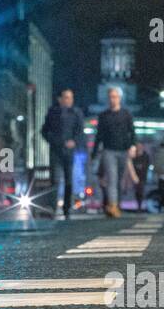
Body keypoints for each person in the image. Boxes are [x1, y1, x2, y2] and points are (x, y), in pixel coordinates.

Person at [91, 86, 136, 218]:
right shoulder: (103, 116)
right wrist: (94, 153)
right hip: (108, 151)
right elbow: (98, 136)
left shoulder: (126, 114)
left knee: (119, 180)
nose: (113, 99)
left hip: (123, 151)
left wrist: (132, 146)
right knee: (112, 178)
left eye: (115, 97)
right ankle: (113, 205)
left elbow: (132, 132)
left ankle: (117, 204)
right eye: (111, 97)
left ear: (120, 98)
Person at [40, 88, 85, 219]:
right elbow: (44, 131)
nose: (69, 100)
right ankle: (52, 208)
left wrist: (74, 142)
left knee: (68, 180)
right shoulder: (52, 112)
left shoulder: (77, 113)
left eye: (71, 97)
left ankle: (67, 209)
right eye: (66, 97)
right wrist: (55, 141)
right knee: (54, 180)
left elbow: (80, 132)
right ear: (60, 99)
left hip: (69, 152)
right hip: (56, 150)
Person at [130, 142, 150, 212]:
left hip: (142, 176)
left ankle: (140, 206)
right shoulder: (134, 155)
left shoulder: (145, 156)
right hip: (135, 176)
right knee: (137, 191)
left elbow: (147, 165)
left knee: (141, 191)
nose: (139, 147)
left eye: (140, 146)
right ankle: (138, 206)